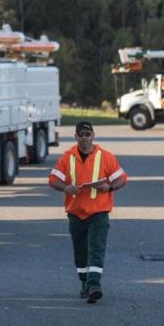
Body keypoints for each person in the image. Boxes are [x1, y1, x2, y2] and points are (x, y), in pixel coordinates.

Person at [47, 121, 128, 304]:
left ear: (93, 136)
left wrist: (108, 187)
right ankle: (85, 284)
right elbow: (52, 180)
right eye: (81, 134)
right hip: (76, 213)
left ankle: (94, 285)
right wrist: (66, 187)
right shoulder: (67, 157)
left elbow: (122, 179)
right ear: (75, 136)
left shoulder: (105, 156)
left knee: (96, 249)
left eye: (88, 134)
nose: (85, 138)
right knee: (81, 253)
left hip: (99, 212)